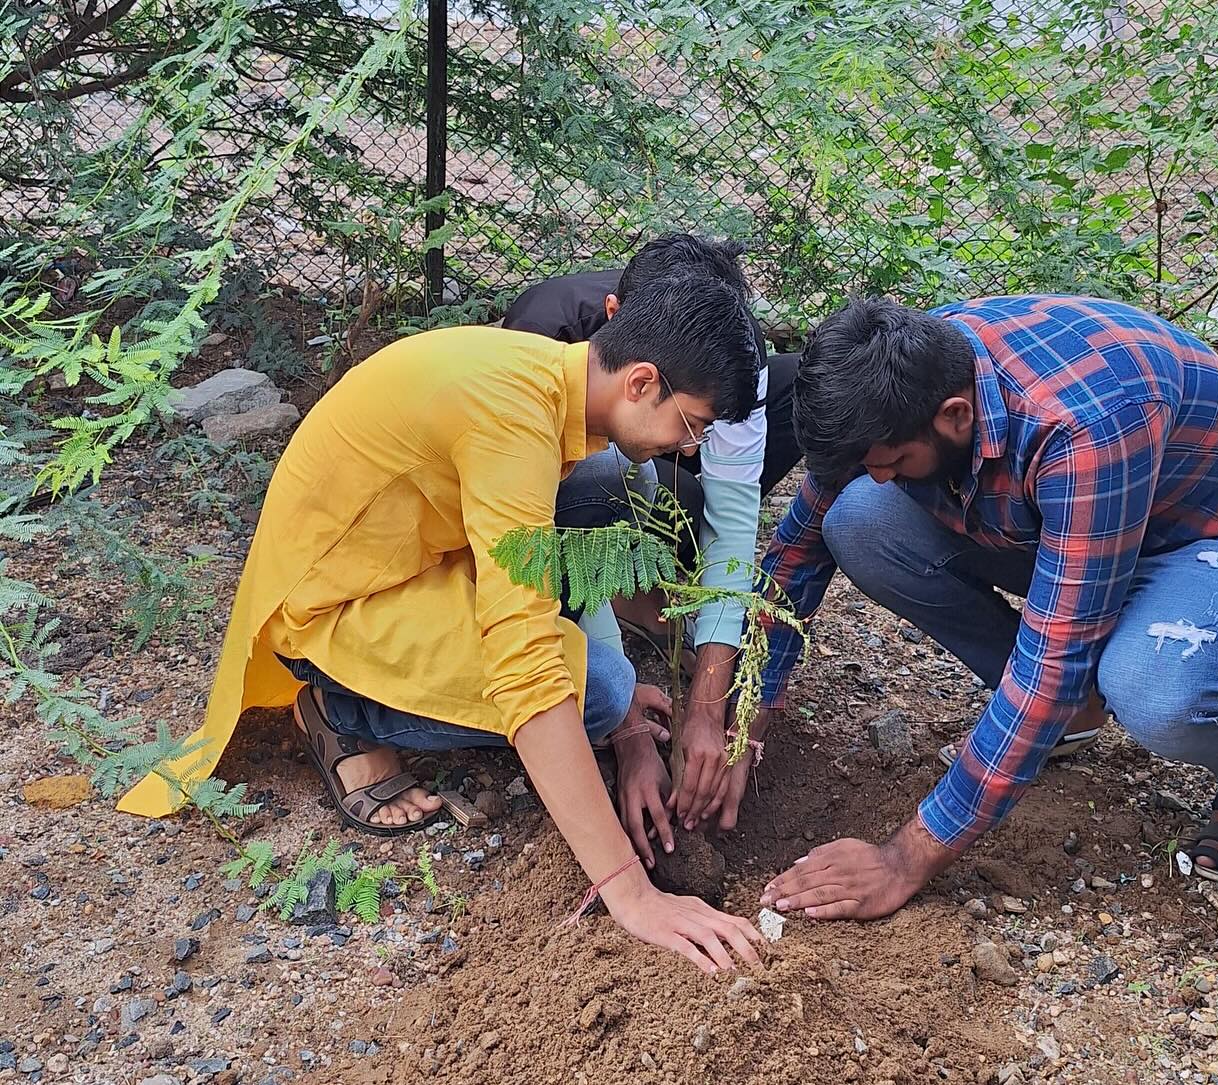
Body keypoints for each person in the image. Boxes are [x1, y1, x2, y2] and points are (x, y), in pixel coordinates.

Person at [118, 279, 764, 973]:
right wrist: (633, 895)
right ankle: (341, 708)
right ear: (641, 382)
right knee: (598, 690)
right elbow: (526, 673)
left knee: (604, 512)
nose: (689, 448)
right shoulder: (512, 421)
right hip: (331, 602)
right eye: (692, 424)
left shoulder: (545, 377)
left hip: (400, 557)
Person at [748, 295, 1218, 921]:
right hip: (1087, 522)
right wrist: (746, 715)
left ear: (954, 417)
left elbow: (1053, 657)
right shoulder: (892, 376)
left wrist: (904, 858)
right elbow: (796, 552)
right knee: (859, 520)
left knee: (1159, 693)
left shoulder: (1083, 426)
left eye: (892, 463)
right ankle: (1078, 712)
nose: (882, 475)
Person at [504, 234, 804, 834]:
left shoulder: (731, 353)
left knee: (697, 481)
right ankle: (630, 597)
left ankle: (650, 589)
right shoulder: (542, 335)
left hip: (652, 442)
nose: (696, 447)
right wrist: (628, 729)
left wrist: (709, 708)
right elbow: (556, 546)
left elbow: (732, 521)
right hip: (556, 501)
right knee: (611, 486)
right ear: (616, 317)